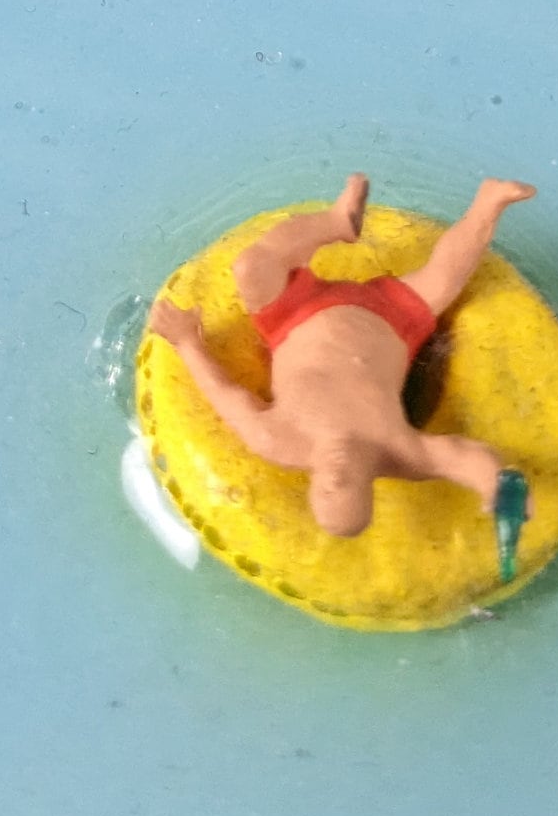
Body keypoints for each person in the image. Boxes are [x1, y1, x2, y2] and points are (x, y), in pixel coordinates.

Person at [149, 174, 537, 548]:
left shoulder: (276, 440)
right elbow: (464, 460)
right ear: (368, 485)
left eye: (327, 481)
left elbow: (224, 392)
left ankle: (336, 222)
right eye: (348, 480)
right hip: (392, 321)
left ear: (315, 483)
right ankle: (489, 203)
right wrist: (496, 484)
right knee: (444, 278)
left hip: (292, 316)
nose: (337, 467)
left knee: (251, 266)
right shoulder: (402, 453)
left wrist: (186, 341)